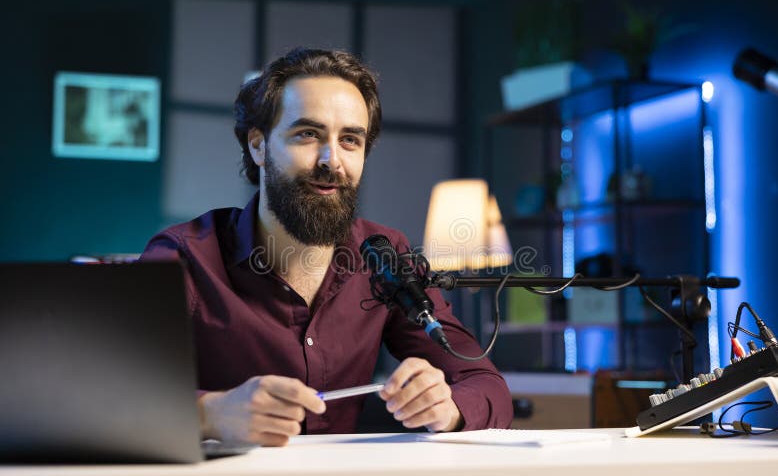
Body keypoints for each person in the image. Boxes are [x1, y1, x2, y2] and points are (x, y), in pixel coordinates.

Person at [140, 47, 512, 446]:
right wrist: (209, 413)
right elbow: (110, 390)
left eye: (350, 140)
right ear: (258, 145)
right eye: (307, 134)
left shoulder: (385, 256)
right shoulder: (186, 257)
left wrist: (448, 407)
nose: (330, 160)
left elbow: (487, 387)